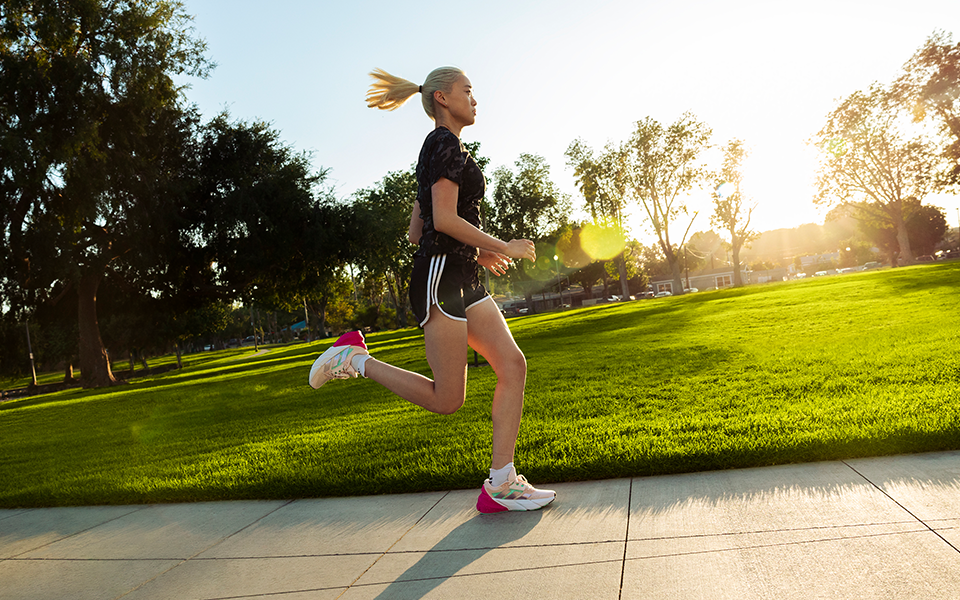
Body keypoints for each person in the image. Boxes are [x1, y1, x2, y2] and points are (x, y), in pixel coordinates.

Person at [307, 66, 555, 513]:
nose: (475, 99)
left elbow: (417, 230)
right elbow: (440, 222)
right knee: (448, 399)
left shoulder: (442, 149)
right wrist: (505, 246)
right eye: (468, 90)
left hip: (459, 274)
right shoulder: (443, 143)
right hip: (441, 279)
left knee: (512, 365)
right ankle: (355, 360)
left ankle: (502, 482)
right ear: (442, 98)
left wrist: (475, 255)